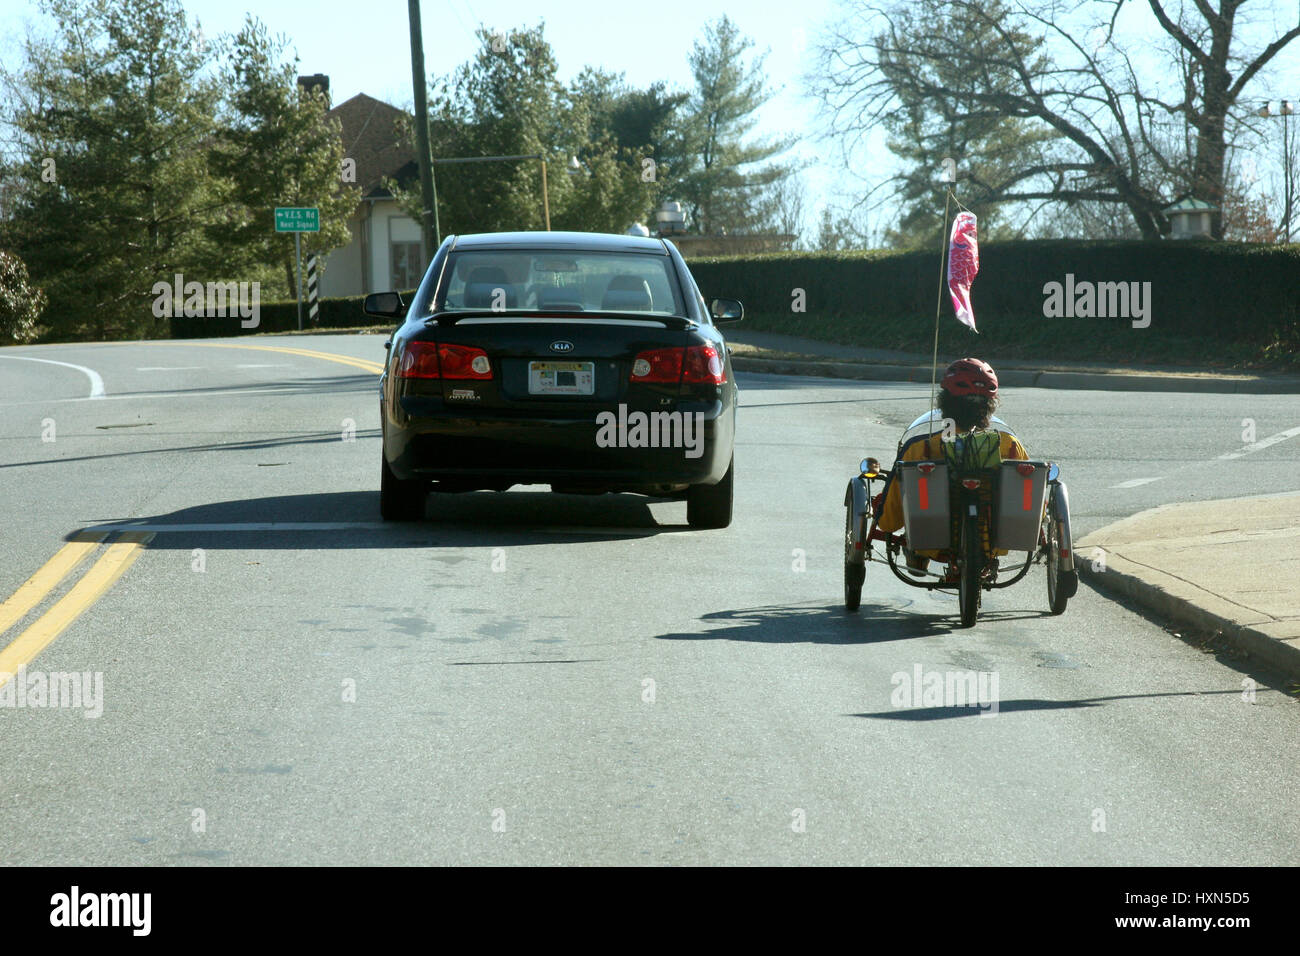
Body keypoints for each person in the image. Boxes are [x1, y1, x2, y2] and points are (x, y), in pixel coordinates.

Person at [876, 358, 1028, 578]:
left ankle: (920, 553)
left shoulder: (921, 447)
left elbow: (890, 521)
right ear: (990, 404)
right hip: (994, 542)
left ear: (945, 402)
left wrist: (884, 522)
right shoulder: (1010, 445)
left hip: (929, 540)